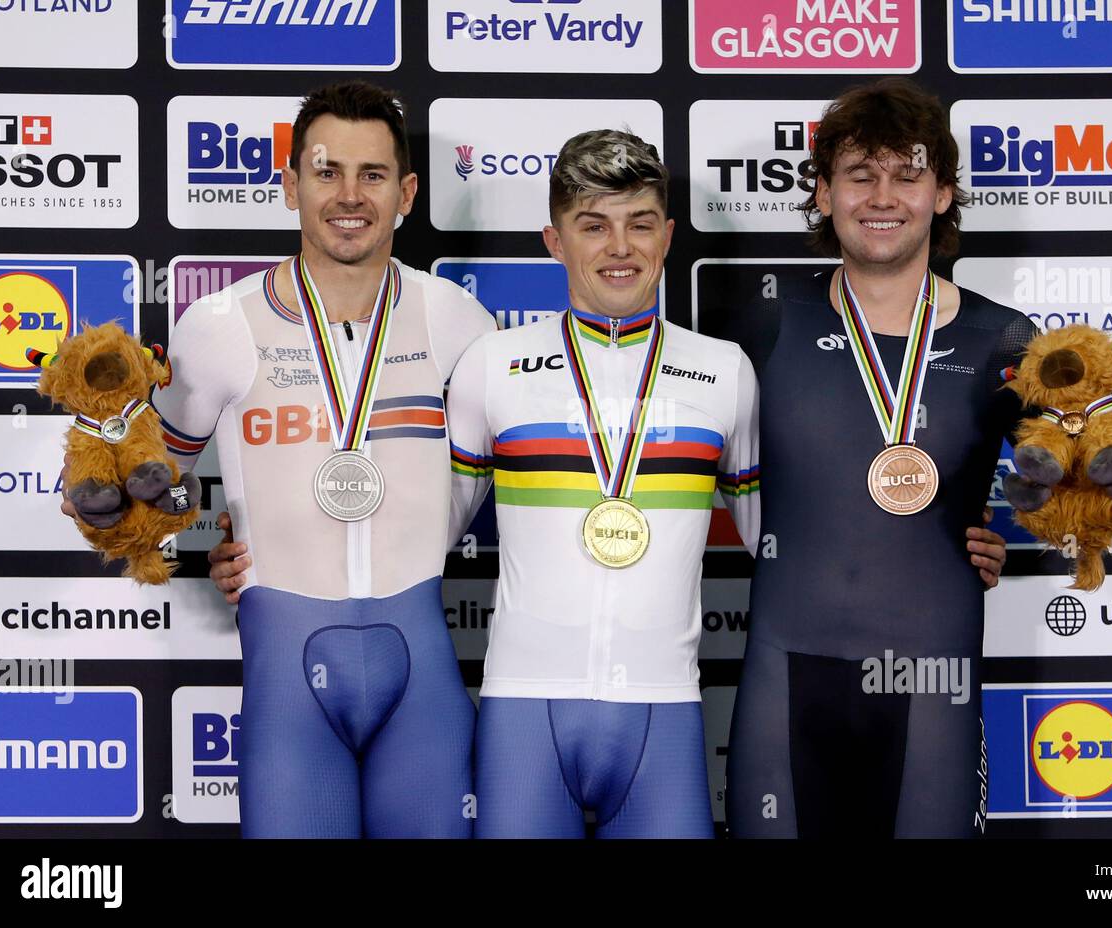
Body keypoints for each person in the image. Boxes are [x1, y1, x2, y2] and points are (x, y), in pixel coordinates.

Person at [68, 81, 495, 837]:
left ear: (407, 192)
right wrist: (115, 505)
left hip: (424, 678)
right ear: (291, 181)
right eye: (327, 171)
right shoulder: (219, 324)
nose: (348, 195)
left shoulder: (462, 323)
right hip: (286, 683)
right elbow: (133, 483)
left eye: (372, 175)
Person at [725, 78, 1030, 838]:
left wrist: (1007, 537)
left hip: (935, 681)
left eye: (908, 174)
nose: (883, 196)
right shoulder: (763, 319)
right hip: (784, 677)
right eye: (860, 174)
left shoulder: (1007, 339)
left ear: (944, 193)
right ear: (823, 193)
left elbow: (1079, 483)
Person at [444, 129, 760, 838]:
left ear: (668, 235)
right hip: (524, 711)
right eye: (594, 226)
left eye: (639, 224)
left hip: (666, 709)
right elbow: (420, 533)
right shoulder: (491, 364)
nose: (620, 248)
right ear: (555, 240)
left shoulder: (724, 370)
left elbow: (780, 541)